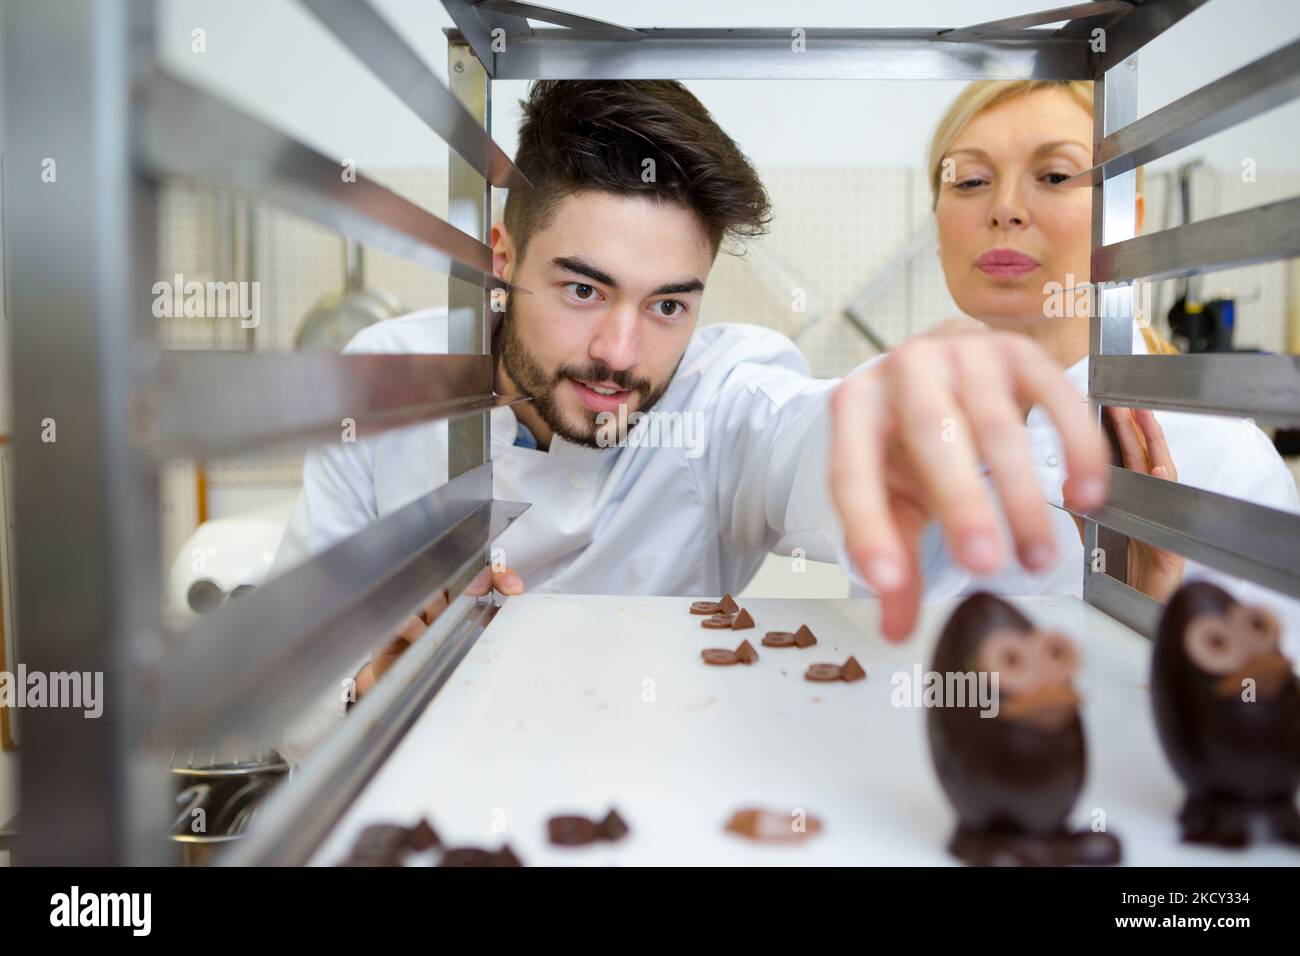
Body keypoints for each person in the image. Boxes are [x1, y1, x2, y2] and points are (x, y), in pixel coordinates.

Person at [272, 80, 1110, 761]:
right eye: (582, 289)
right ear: (502, 260)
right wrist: (365, 692)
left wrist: (879, 426)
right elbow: (287, 681)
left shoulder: (716, 396)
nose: (620, 353)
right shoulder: (387, 391)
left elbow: (799, 436)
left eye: (668, 303)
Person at [921, 79, 1299, 635]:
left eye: (1054, 176)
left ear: (1127, 217)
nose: (1004, 210)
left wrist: (1151, 630)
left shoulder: (1225, 461)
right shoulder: (905, 426)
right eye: (971, 181)